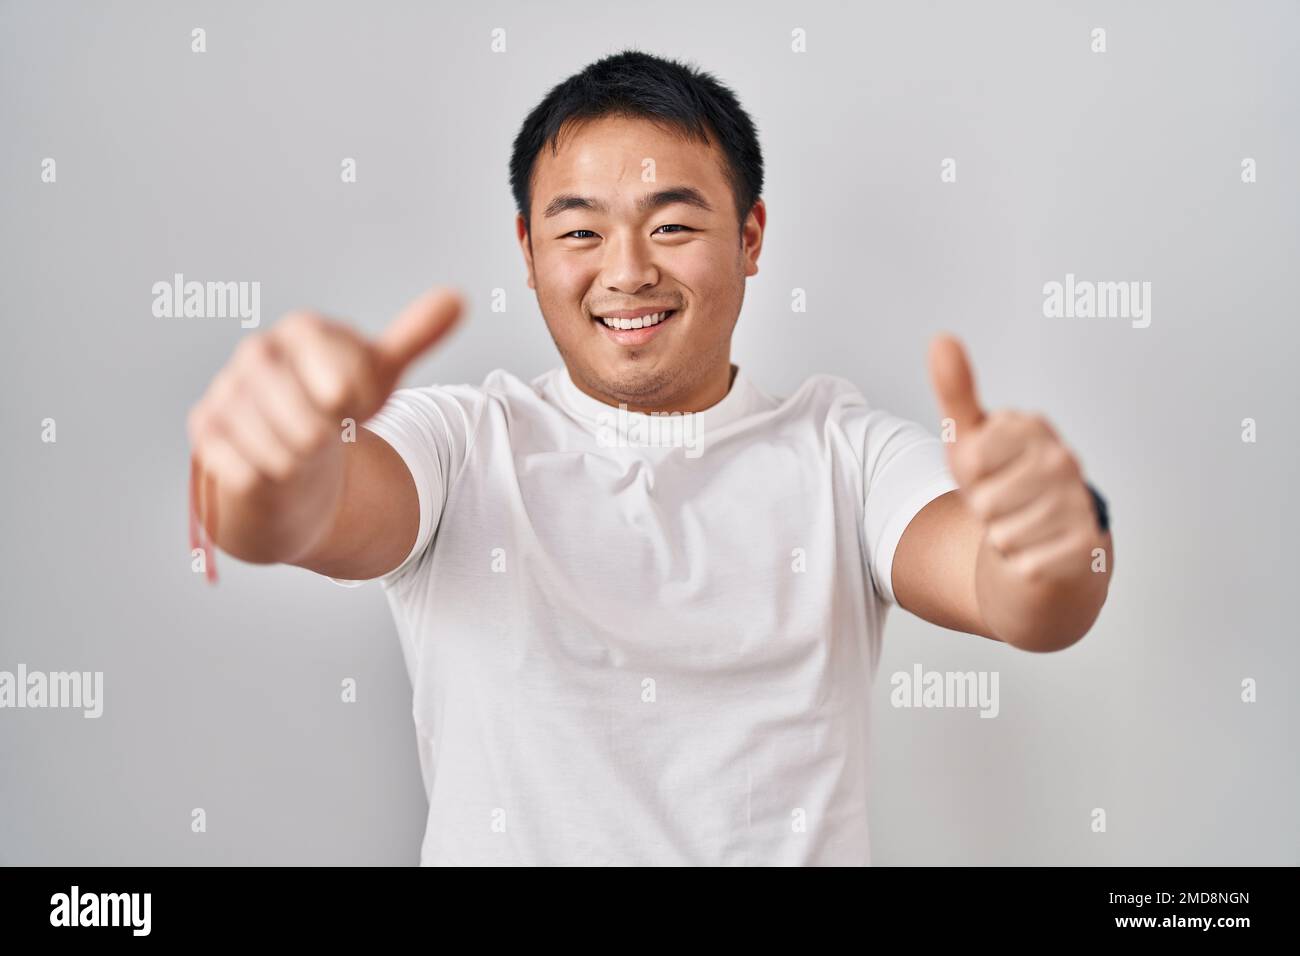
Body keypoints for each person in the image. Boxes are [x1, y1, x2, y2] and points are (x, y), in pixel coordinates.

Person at [185, 50, 1114, 865]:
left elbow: (1023, 598)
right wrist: (272, 460)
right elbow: (294, 517)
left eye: (672, 225)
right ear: (528, 249)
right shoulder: (463, 443)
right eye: (581, 231)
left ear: (750, 238)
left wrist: (1058, 537)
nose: (627, 271)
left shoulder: (847, 453)